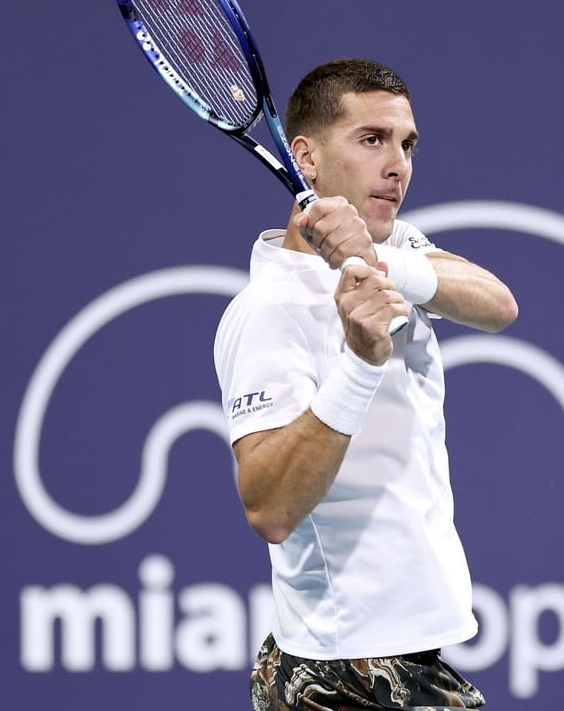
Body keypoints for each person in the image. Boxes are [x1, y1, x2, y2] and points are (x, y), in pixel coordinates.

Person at [214, 58, 518, 711]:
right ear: (306, 158)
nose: (398, 165)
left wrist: (378, 259)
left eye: (407, 145)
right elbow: (268, 507)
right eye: (372, 139)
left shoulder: (395, 246)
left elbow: (497, 304)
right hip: (346, 670)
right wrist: (358, 364)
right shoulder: (269, 310)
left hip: (393, 657)